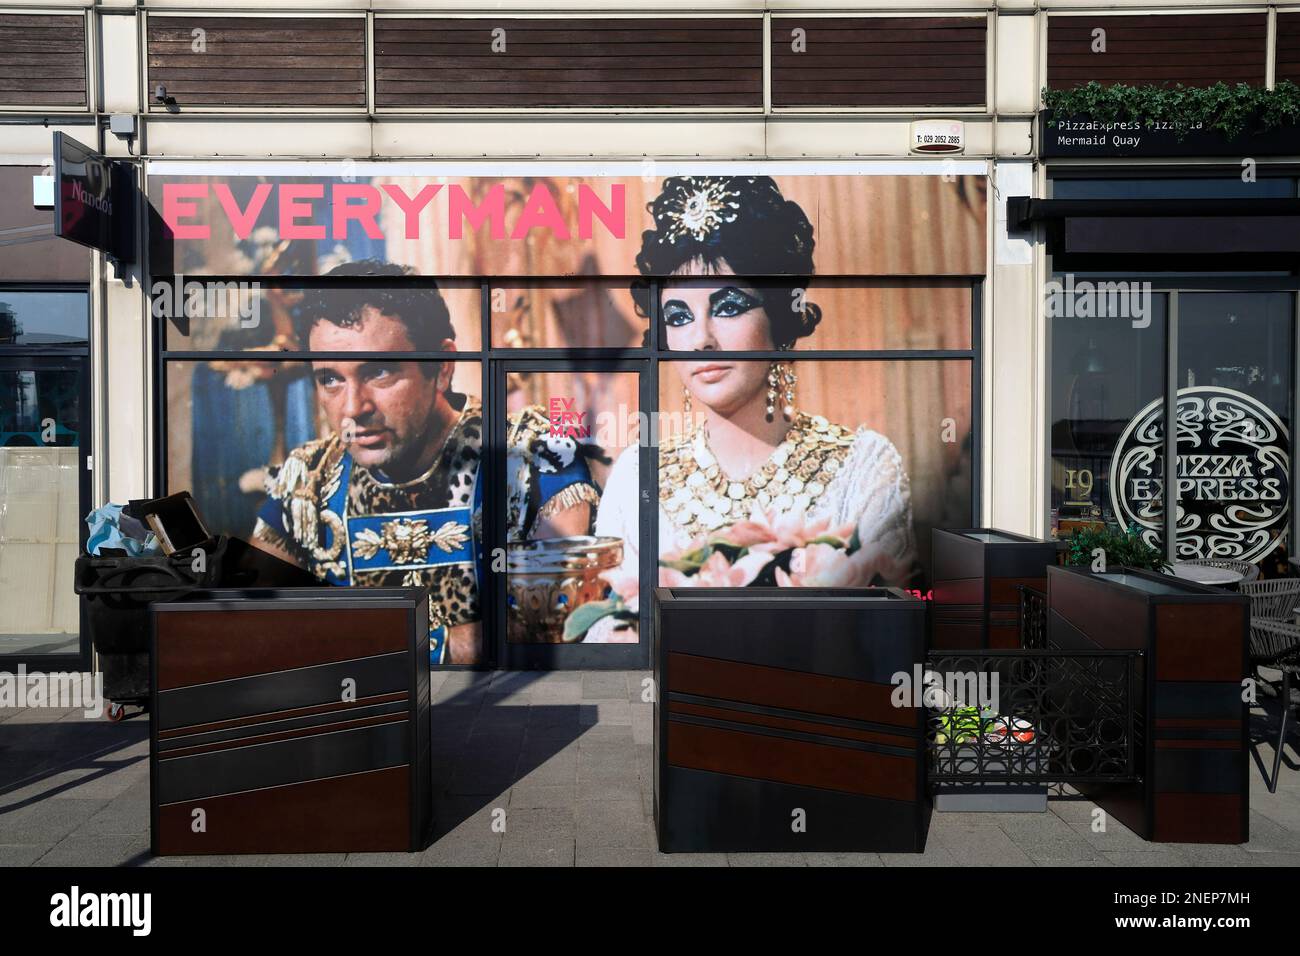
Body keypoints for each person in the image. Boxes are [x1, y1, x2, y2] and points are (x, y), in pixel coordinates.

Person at [592, 177, 917, 631]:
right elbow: (607, 633)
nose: (702, 341)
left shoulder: (862, 465)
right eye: (679, 317)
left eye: (728, 307)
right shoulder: (636, 476)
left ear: (779, 319)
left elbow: (887, 630)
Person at [252, 261, 599, 663]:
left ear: (442, 364)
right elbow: (258, 628)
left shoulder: (535, 456)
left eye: (378, 372)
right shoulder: (308, 478)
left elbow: (556, 621)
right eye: (330, 378)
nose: (352, 408)